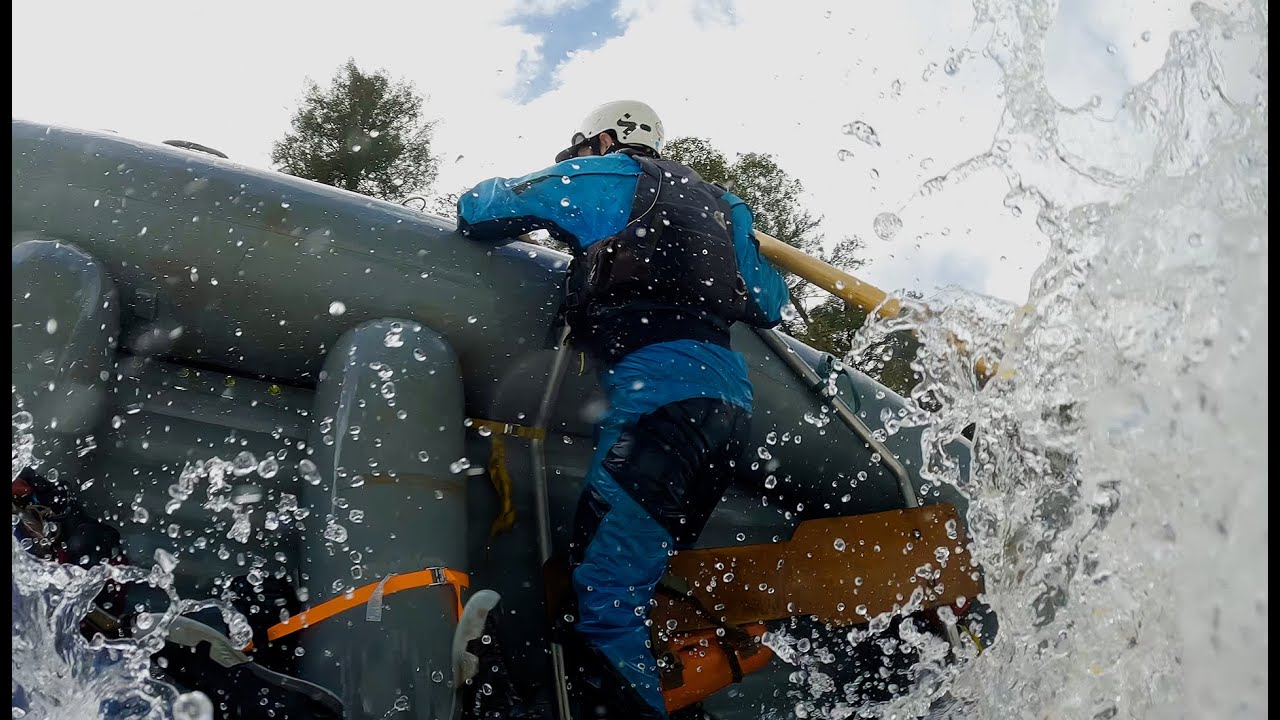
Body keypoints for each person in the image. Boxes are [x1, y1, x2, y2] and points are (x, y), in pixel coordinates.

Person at [456, 100, 789, 719]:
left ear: (606, 137)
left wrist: (567, 211)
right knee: (624, 591)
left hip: (661, 411)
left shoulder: (603, 173)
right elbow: (770, 300)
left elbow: (480, 208)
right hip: (729, 413)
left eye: (583, 146)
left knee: (602, 607)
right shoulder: (723, 204)